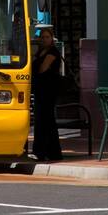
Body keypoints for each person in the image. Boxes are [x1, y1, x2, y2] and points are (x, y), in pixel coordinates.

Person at [31, 28, 64, 162]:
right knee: (41, 120)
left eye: (47, 37)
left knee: (47, 120)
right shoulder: (39, 52)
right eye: (42, 37)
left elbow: (42, 68)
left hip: (48, 90)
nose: (44, 39)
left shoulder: (52, 52)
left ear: (52, 38)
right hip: (39, 89)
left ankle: (50, 152)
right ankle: (41, 151)